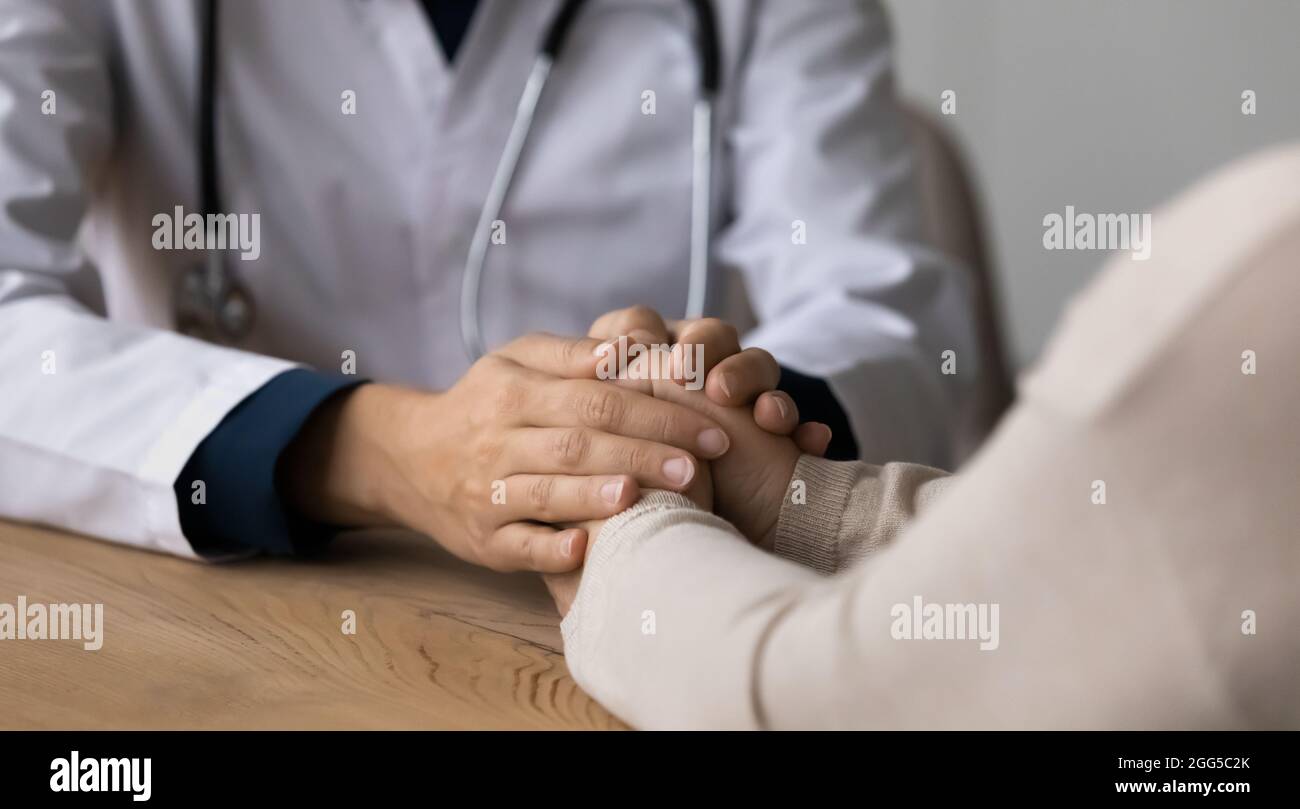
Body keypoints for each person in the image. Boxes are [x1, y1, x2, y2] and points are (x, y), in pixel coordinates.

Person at [0, 0, 976, 567]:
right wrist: (382, 449)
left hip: (641, 596)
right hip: (250, 615)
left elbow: (888, 313)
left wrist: (727, 417)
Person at [545, 145, 1300, 729]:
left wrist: (621, 520)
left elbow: (819, 708)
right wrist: (804, 505)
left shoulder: (1254, 276)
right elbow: (1096, 582)